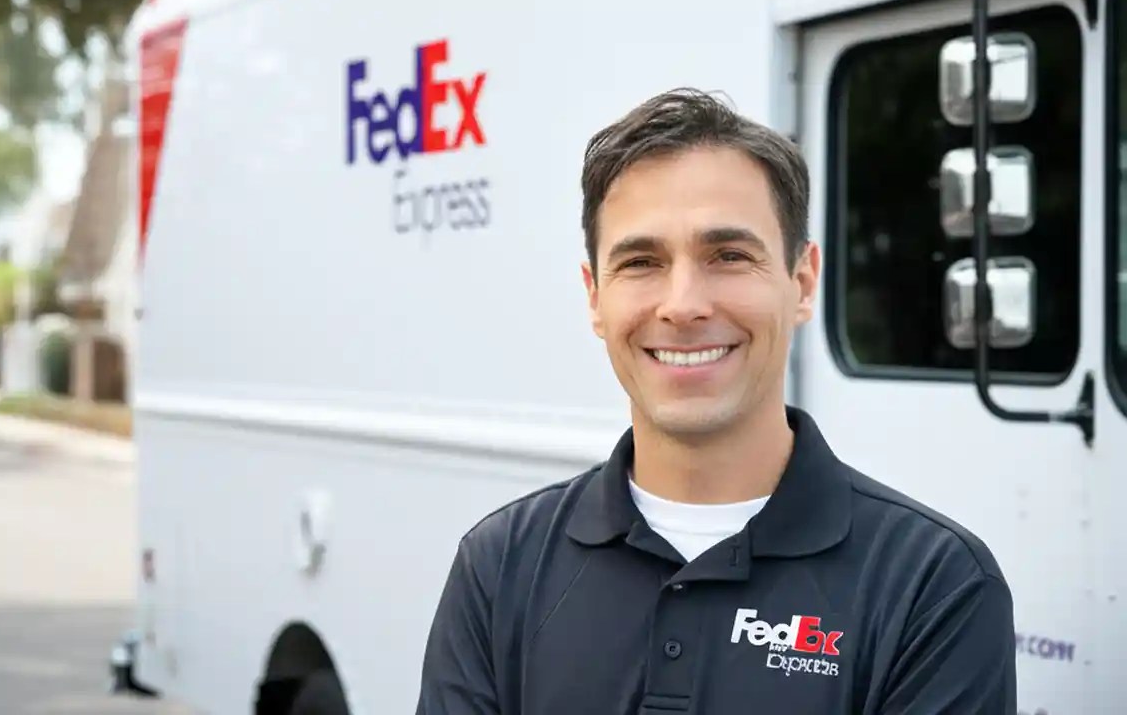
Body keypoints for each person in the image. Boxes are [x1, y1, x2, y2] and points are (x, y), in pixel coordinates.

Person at [413, 88, 1016, 714]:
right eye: (641, 261)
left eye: (728, 256)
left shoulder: (934, 586)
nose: (683, 304)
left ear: (802, 283)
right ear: (595, 296)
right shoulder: (498, 567)